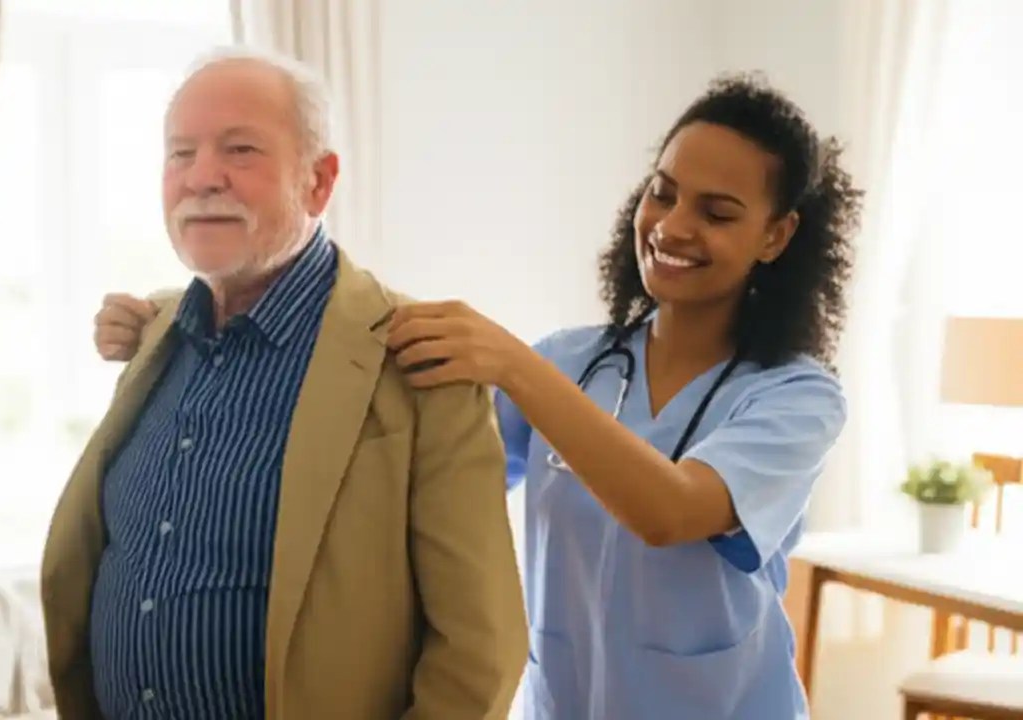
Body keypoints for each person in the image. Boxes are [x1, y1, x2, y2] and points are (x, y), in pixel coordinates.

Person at [95, 73, 862, 719]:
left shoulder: (798, 397)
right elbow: (393, 455)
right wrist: (182, 325)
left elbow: (670, 511)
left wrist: (514, 367)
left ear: (777, 235)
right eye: (662, 194)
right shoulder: (581, 361)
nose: (672, 225)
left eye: (717, 212)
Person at [43, 47, 528, 720]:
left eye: (240, 150)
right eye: (180, 153)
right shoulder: (155, 338)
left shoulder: (420, 360)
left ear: (319, 182)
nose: (202, 177)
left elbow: (482, 650)